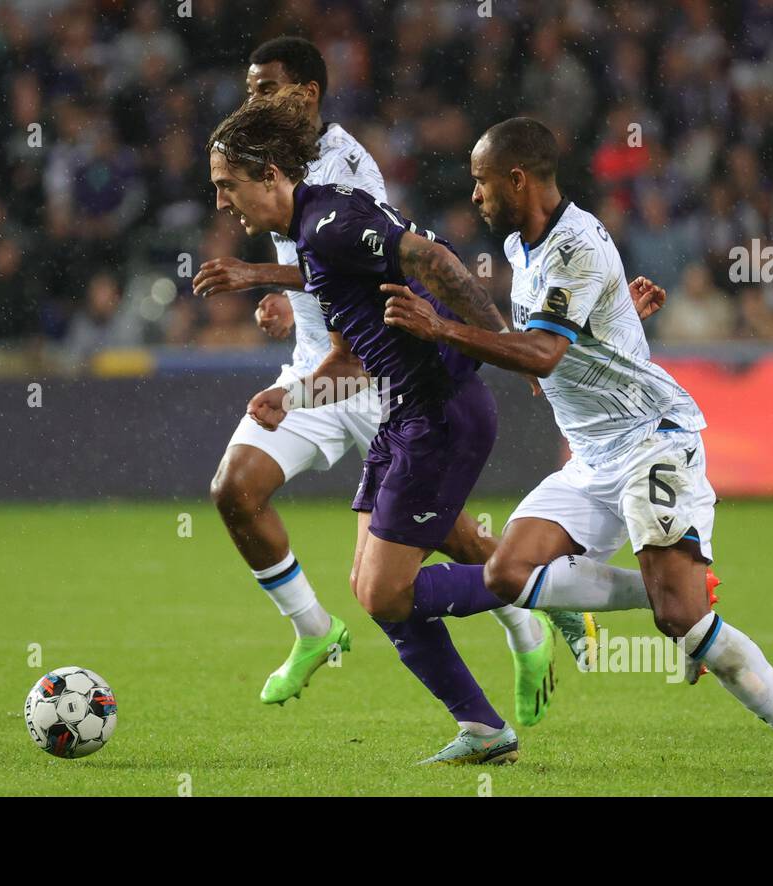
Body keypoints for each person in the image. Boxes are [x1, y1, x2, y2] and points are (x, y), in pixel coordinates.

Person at [382, 118, 773, 776]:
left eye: (483, 182)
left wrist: (442, 329)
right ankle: (671, 590)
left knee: (680, 621)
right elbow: (563, 339)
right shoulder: (522, 245)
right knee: (506, 575)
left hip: (652, 440)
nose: (475, 195)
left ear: (518, 179)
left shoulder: (575, 244)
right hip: (592, 457)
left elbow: (543, 351)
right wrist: (618, 317)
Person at [192, 37, 571, 724]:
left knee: (437, 545)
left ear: (306, 93)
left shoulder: (341, 174)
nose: (254, 100)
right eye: (248, 88)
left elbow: (387, 257)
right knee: (235, 490)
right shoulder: (273, 177)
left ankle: (532, 610)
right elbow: (330, 273)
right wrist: (293, 309)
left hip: (382, 376)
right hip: (325, 363)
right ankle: (315, 631)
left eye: (266, 87)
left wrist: (260, 277)